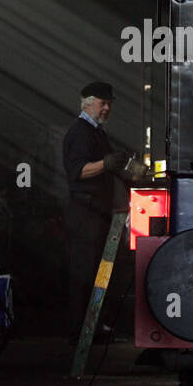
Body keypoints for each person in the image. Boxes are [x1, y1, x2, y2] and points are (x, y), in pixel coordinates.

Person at [61, 82, 129, 340]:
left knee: (97, 271)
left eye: (109, 104)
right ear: (88, 103)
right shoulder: (80, 132)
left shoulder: (97, 133)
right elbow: (77, 171)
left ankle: (93, 327)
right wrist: (107, 162)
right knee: (84, 272)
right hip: (84, 212)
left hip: (96, 211)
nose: (107, 108)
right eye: (103, 103)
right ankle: (80, 331)